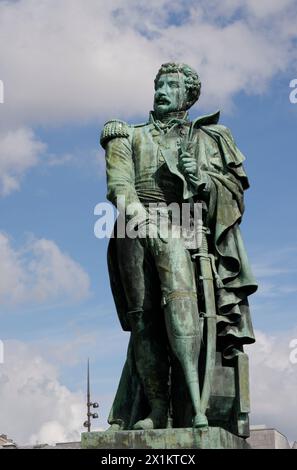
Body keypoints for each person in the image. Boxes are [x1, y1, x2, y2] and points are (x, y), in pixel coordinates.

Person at [100, 62, 257, 431]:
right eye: (159, 83)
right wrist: (142, 219)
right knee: (143, 320)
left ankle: (193, 404)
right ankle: (155, 409)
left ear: (189, 94)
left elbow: (232, 193)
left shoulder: (209, 138)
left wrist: (200, 179)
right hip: (133, 228)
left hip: (186, 226)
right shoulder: (127, 134)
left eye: (171, 84)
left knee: (183, 308)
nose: (162, 89)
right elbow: (118, 186)